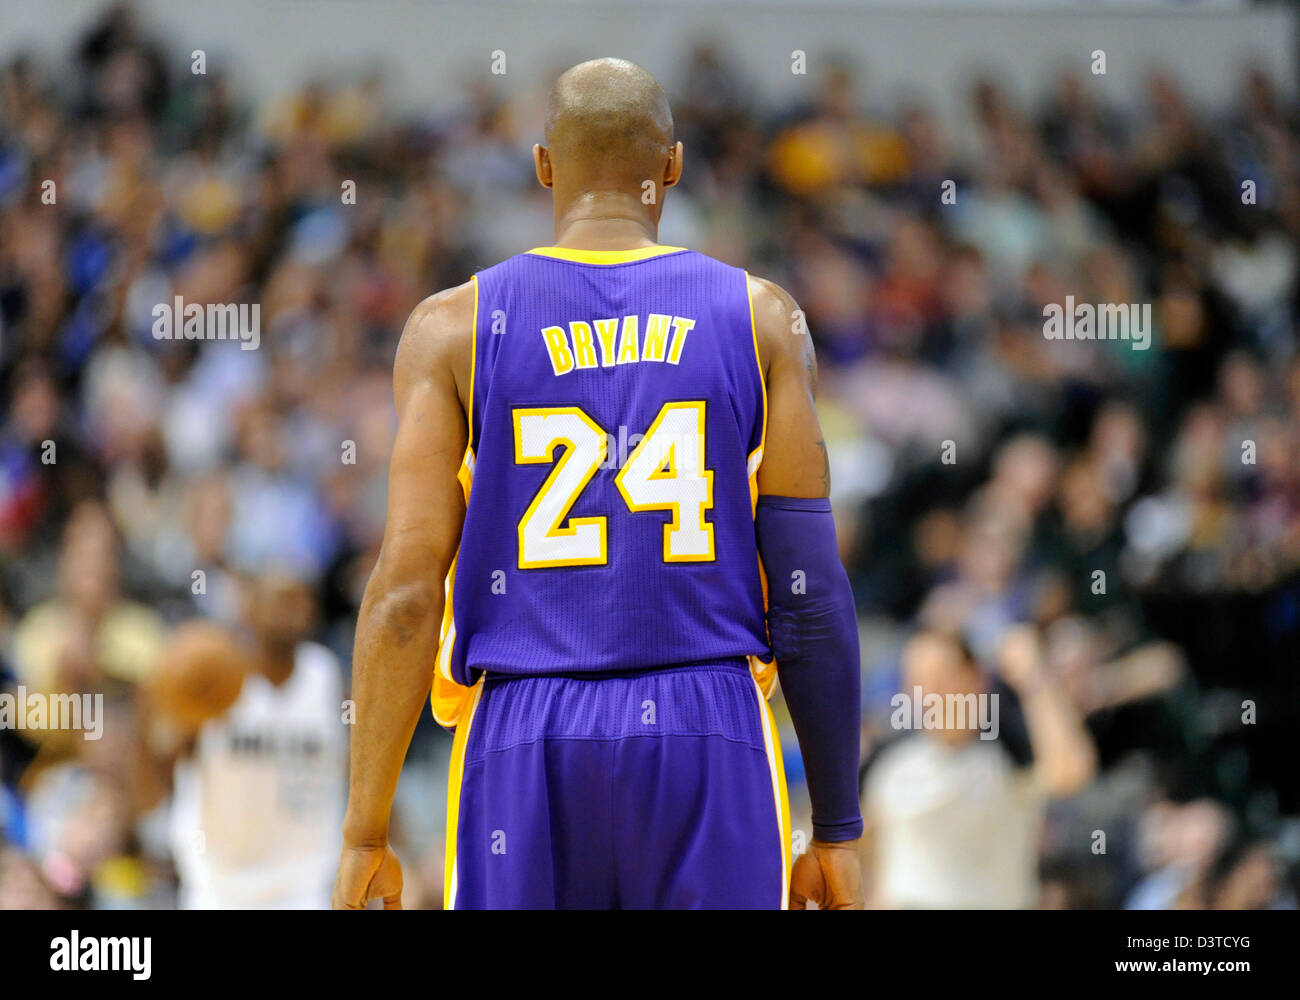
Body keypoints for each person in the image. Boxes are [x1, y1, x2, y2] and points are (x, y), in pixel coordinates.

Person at [333, 58, 863, 910]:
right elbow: (809, 591)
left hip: (523, 731)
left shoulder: (452, 328)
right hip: (710, 726)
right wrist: (837, 827)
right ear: (674, 167)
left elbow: (403, 592)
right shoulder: (763, 318)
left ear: (543, 164)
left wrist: (365, 830)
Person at [154, 572, 345, 909]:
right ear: (250, 609)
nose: (295, 609)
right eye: (283, 598)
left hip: (305, 886)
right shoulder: (213, 674)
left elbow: (358, 769)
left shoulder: (326, 675)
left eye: (303, 599)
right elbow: (165, 758)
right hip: (218, 885)